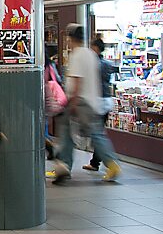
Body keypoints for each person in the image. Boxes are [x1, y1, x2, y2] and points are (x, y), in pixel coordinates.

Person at [50, 24, 121, 184]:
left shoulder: (77, 55)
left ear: (70, 38)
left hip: (80, 102)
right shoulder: (90, 54)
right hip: (92, 100)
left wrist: (72, 103)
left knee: (86, 133)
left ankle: (111, 164)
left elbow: (77, 81)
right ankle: (64, 166)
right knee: (86, 134)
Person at [83, 37, 118, 173]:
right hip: (107, 101)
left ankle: (107, 162)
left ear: (96, 48)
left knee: (97, 134)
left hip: (97, 101)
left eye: (92, 47)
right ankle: (95, 162)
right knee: (99, 132)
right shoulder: (108, 64)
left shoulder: (95, 64)